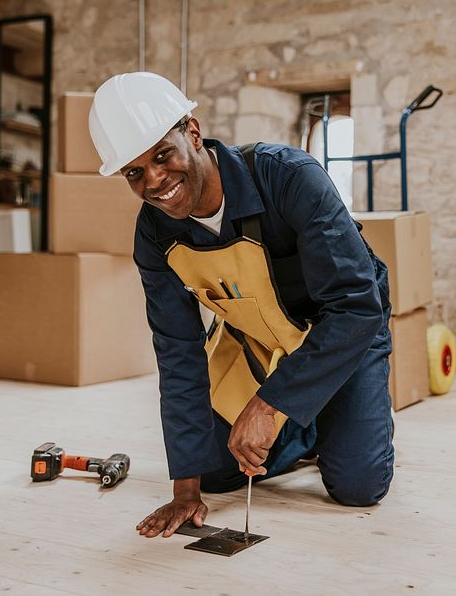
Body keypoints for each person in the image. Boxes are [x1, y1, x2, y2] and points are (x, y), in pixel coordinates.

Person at [88, 72, 394, 539]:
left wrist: (269, 405)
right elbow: (177, 351)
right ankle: (305, 427)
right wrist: (186, 489)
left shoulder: (289, 177)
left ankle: (323, 416)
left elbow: (355, 306)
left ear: (192, 133)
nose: (154, 181)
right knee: (212, 469)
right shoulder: (154, 234)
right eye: (134, 173)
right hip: (255, 333)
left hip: (342, 328)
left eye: (162, 155)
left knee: (357, 485)